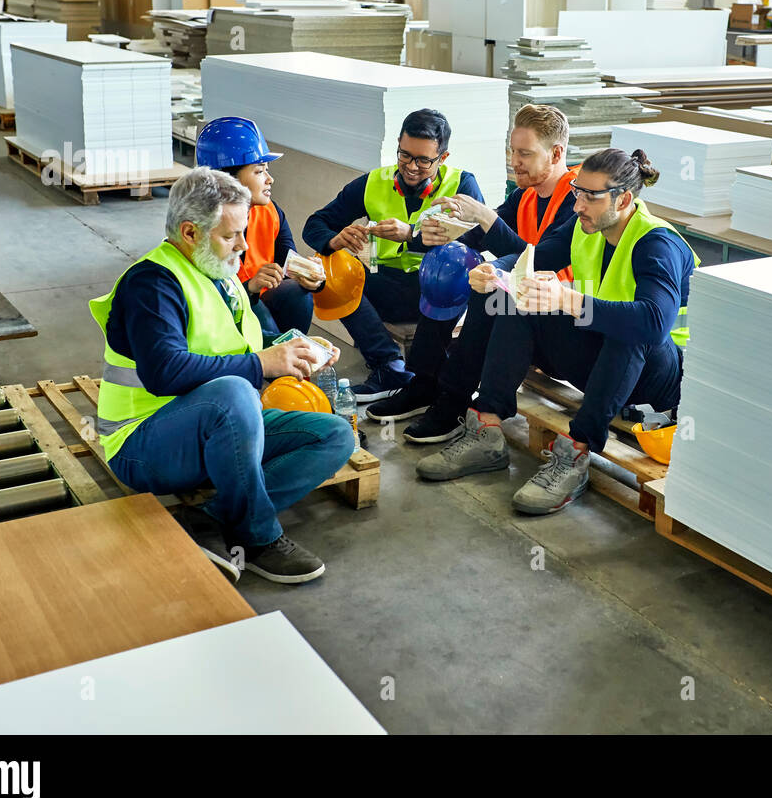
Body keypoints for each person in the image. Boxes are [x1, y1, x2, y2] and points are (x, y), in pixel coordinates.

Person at [89, 167, 355, 585]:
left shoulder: (219, 272)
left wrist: (294, 346)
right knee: (234, 392)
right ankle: (258, 535)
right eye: (231, 235)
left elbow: (242, 340)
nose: (244, 246)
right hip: (143, 443)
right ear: (190, 232)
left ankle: (210, 519)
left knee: (336, 435)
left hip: (217, 430)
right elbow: (164, 372)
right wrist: (264, 364)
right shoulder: (151, 283)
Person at [416, 147, 698, 516]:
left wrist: (567, 299)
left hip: (655, 382)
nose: (578, 204)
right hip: (602, 363)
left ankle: (576, 451)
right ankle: (486, 427)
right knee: (517, 297)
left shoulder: (657, 244)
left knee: (631, 333)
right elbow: (533, 258)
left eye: (590, 196)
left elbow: (654, 323)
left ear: (624, 198)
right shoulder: (587, 223)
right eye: (577, 192)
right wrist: (495, 271)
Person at [368, 104, 579, 441]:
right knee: (448, 262)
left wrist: (482, 215)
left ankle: (453, 400)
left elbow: (539, 258)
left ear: (556, 153)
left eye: (525, 153)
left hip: (560, 316)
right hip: (527, 303)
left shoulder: (578, 199)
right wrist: (440, 233)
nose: (514, 161)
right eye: (512, 151)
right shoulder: (525, 194)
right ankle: (424, 383)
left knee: (491, 284)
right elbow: (481, 234)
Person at [302, 108, 488, 402]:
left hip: (437, 291)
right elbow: (315, 224)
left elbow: (475, 242)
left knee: (454, 260)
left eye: (424, 160)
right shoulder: (373, 182)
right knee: (326, 265)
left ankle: (426, 375)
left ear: (443, 158)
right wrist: (334, 239)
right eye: (404, 155)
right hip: (384, 286)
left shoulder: (462, 185)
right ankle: (388, 365)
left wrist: (412, 234)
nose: (412, 167)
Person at [196, 116, 321, 343]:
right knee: (258, 318)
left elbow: (289, 265)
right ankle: (277, 361)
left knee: (296, 293)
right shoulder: (201, 228)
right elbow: (208, 302)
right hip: (218, 317)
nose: (270, 179)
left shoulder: (270, 212)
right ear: (227, 178)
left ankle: (284, 363)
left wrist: (311, 275)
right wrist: (251, 288)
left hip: (253, 299)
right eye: (259, 171)